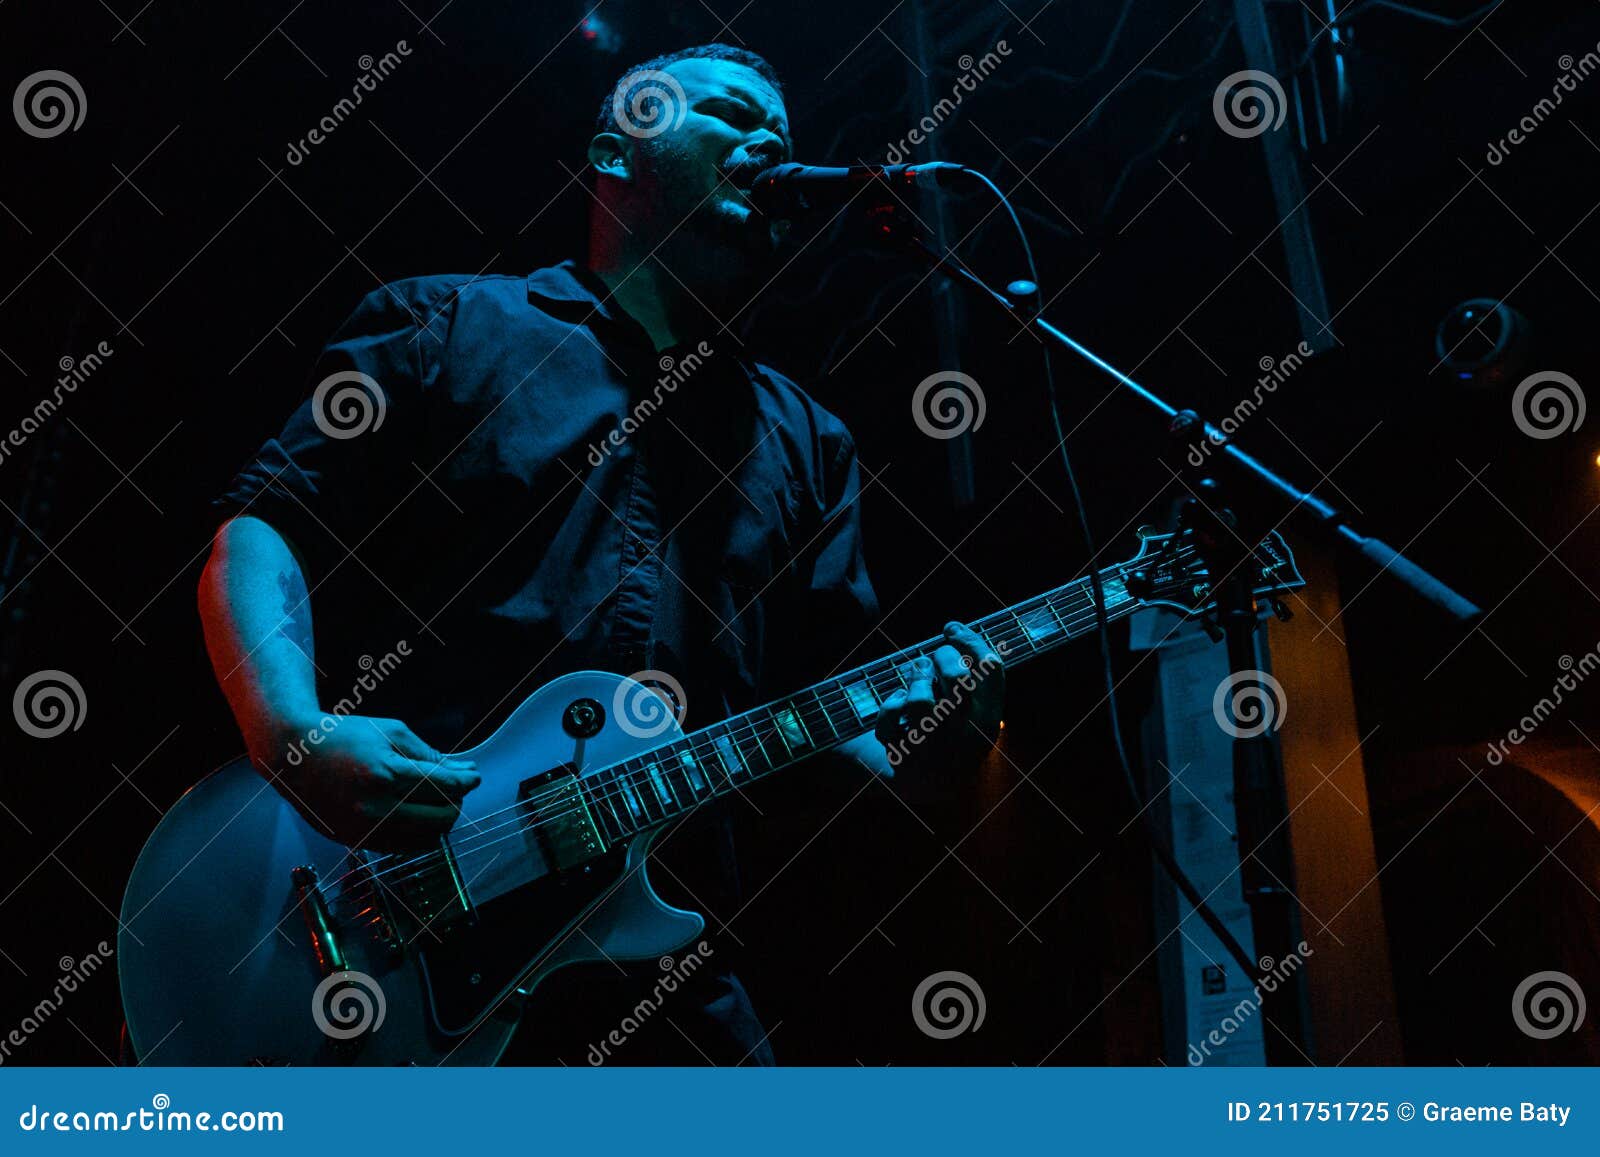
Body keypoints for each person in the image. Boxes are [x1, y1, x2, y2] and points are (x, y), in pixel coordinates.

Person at [197, 43, 1003, 1065]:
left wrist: (928, 756)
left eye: (782, 136)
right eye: (730, 114)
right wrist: (291, 733)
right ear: (615, 149)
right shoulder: (445, 327)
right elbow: (262, 529)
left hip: (661, 965)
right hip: (373, 902)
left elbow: (820, 724)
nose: (767, 141)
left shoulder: (809, 443)